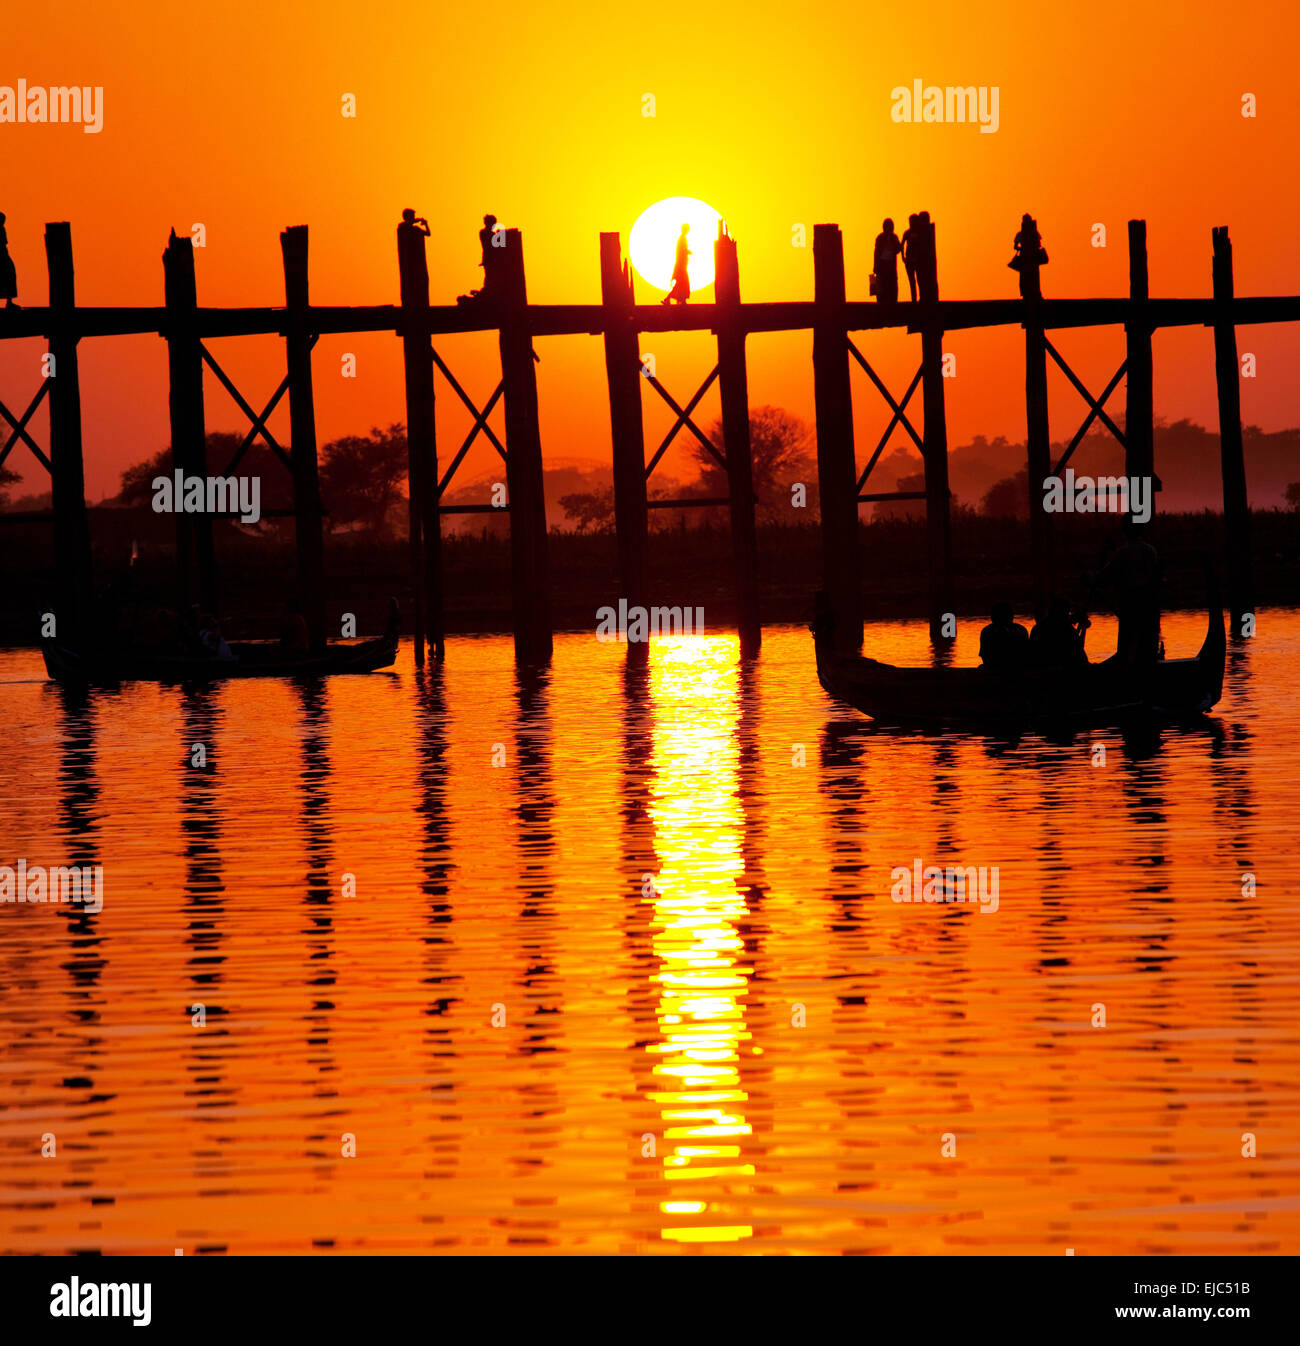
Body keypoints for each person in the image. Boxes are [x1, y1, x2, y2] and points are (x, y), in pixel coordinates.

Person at [1095, 517, 1161, 670]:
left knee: (1127, 645)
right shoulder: (1150, 551)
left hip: (1130, 603)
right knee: (1148, 644)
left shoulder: (1123, 552)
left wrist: (1092, 577)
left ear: (1126, 530)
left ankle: (1128, 673)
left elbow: (1106, 576)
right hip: (1148, 604)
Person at [1030, 597, 1089, 671]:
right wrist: (1083, 628)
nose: (1068, 615)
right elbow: (1079, 648)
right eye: (1067, 613)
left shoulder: (1037, 628)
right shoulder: (1065, 627)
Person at [979, 602, 1029, 673]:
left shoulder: (987, 631)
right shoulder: (1021, 629)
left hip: (995, 669)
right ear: (1011, 616)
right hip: (1018, 668)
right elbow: (1026, 654)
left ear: (994, 617)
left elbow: (985, 656)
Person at [1010, 214, 1048, 300]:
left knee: (1024, 277)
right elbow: (1039, 244)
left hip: (1024, 257)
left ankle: (1026, 293)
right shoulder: (1035, 233)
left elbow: (1015, 247)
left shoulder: (1019, 234)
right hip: (1033, 257)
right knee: (1034, 276)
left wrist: (1022, 247)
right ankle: (1036, 293)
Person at [872, 218, 902, 303]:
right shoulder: (880, 238)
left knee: (892, 290)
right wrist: (875, 266)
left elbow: (898, 249)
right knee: (881, 292)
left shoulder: (894, 237)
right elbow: (877, 252)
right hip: (882, 269)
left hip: (891, 270)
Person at [479, 213, 507, 299]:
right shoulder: (485, 233)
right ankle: (489, 293)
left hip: (491, 259)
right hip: (490, 259)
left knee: (491, 277)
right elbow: (498, 244)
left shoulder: (489, 233)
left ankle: (490, 292)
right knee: (490, 277)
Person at [663, 223, 691, 306]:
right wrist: (687, 252)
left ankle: (681, 299)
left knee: (682, 283)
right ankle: (669, 298)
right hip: (681, 265)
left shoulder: (682, 238)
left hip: (682, 264)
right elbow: (681, 251)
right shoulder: (682, 239)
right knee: (682, 283)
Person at [901, 213, 921, 302]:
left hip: (918, 260)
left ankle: (921, 297)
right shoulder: (907, 232)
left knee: (919, 279)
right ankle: (914, 298)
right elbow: (902, 244)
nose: (911, 223)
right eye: (910, 222)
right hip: (909, 260)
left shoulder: (920, 232)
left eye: (912, 222)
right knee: (912, 280)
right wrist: (903, 257)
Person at [0, 213, 17, 309]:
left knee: (9, 276)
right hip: (2, 255)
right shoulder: (1, 229)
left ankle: (9, 301)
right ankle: (9, 301)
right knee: (8, 275)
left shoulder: (2, 228)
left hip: (3, 254)